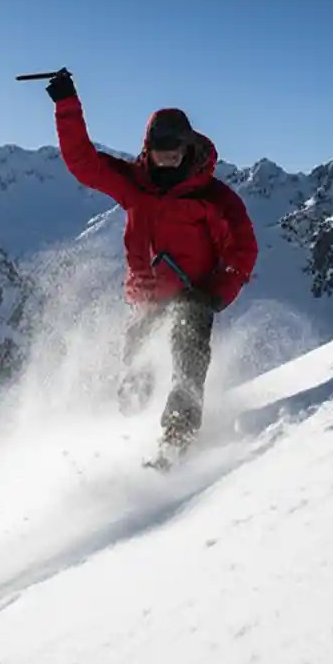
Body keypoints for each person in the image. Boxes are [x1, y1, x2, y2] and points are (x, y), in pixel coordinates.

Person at [46, 70, 258, 465]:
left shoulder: (212, 197)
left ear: (189, 147)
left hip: (195, 296)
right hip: (147, 297)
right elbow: (83, 162)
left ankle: (176, 438)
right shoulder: (134, 185)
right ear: (149, 148)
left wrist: (215, 293)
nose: (169, 160)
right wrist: (66, 103)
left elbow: (242, 248)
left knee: (187, 357)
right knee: (136, 367)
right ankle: (129, 412)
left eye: (176, 151)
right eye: (162, 152)